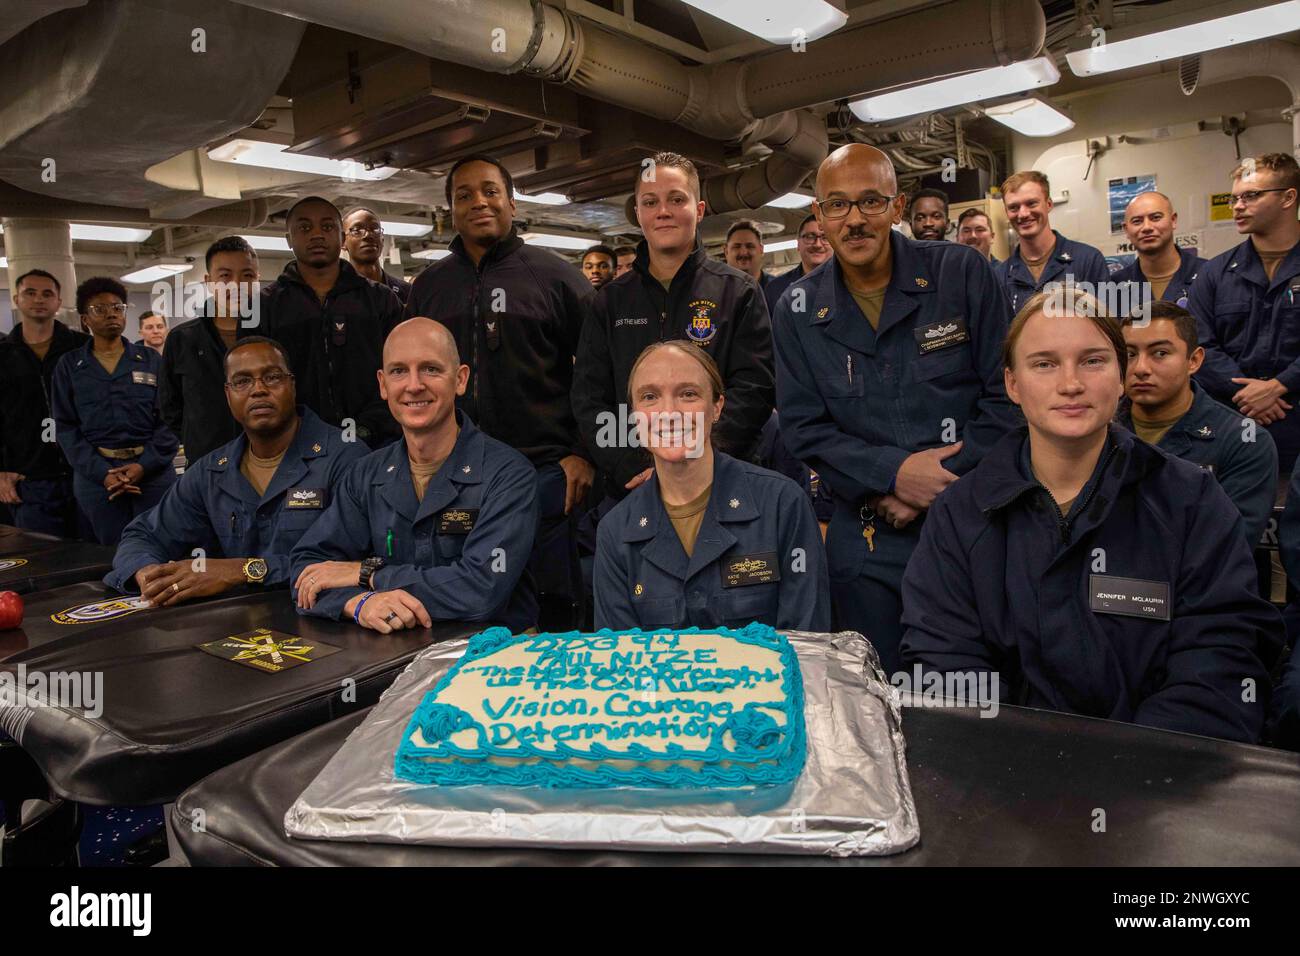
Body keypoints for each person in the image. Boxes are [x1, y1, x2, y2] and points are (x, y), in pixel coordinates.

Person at [900, 288, 1277, 743]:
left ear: (1121, 378)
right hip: (1006, 782)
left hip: (1159, 786)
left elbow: (1219, 661)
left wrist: (1130, 772)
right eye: (1044, 363)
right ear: (1013, 385)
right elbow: (944, 663)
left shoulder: (1191, 502)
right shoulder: (960, 515)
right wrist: (1015, 770)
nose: (1070, 383)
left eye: (1093, 361)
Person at [773, 143, 1017, 673]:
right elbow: (803, 428)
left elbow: (1009, 397)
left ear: (898, 207)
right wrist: (895, 476)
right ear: (819, 215)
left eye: (871, 202)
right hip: (867, 537)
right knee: (871, 695)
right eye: (837, 205)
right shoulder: (795, 309)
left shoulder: (962, 274)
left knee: (980, 697)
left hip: (977, 523)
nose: (854, 219)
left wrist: (940, 482)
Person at [402, 153, 595, 626]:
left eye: (490, 191)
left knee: (553, 612)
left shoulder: (556, 277)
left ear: (511, 201)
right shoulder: (428, 287)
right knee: (467, 609)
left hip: (545, 474)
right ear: (450, 209)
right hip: (456, 481)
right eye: (463, 195)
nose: (478, 202)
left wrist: (583, 451)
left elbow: (600, 372)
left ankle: (554, 696)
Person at [290, 318, 538, 633]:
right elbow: (307, 570)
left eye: (431, 369)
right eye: (398, 371)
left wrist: (369, 575)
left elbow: (481, 591)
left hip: (494, 658)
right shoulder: (365, 474)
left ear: (460, 380)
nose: (414, 385)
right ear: (383, 384)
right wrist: (358, 603)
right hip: (389, 657)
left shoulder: (509, 475)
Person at [573, 151, 774, 502]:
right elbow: (590, 398)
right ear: (638, 213)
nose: (663, 211)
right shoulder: (609, 301)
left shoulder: (738, 291)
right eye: (650, 201)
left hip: (720, 482)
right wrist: (629, 465)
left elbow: (754, 389)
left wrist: (696, 459)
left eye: (676, 199)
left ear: (698, 210)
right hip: (633, 488)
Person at [105, 337, 367, 604]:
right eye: (242, 381)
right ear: (228, 395)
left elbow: (356, 564)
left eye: (273, 377)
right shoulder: (211, 472)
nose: (258, 390)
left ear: (292, 385)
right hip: (235, 627)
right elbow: (143, 535)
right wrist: (148, 574)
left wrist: (242, 571)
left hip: (324, 620)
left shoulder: (346, 458)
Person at [594, 341, 828, 631]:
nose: (669, 413)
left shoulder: (783, 505)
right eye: (650, 397)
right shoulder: (614, 533)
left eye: (688, 394)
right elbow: (622, 662)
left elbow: (807, 645)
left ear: (717, 407)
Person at [1118, 300, 1276, 548]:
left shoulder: (1243, 440)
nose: (1141, 368)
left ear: (1194, 360)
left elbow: (1227, 545)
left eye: (1160, 353)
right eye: (1130, 354)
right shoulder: (1096, 429)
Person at [249, 195, 402, 448]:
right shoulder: (263, 307)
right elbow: (258, 382)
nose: (317, 235)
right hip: (296, 447)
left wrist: (370, 427)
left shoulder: (380, 300)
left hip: (377, 443)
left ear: (342, 238)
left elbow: (398, 372)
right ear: (289, 239)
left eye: (328, 227)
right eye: (305, 228)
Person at [1190, 152, 1300, 474]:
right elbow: (1199, 346)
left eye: (1251, 196)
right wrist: (1247, 392)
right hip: (1237, 426)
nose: (1237, 206)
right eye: (1235, 198)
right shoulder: (1215, 273)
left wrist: (1279, 385)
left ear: (1288, 198)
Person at [51, 277, 179, 545]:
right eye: (100, 309)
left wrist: (143, 467)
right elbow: (65, 427)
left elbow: (169, 419)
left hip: (152, 474)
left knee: (163, 549)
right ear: (85, 319)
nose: (111, 313)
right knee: (111, 552)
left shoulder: (151, 361)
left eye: (117, 307)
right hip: (97, 478)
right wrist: (103, 473)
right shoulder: (70, 366)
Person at [0, 269, 89, 537]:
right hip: (31, 481)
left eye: (47, 293)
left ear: (58, 303)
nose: (39, 299)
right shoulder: (3, 354)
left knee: (98, 558)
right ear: (17, 299)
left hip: (85, 473)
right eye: (30, 293)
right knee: (43, 562)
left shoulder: (82, 348)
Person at [160, 236, 259, 464]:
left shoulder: (272, 336)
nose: (236, 285)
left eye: (247, 275)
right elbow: (170, 408)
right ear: (208, 281)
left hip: (270, 462)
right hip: (206, 464)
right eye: (225, 276)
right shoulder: (182, 339)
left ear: (257, 280)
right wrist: (199, 438)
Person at [996, 170, 1109, 315]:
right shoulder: (1000, 276)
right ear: (1006, 212)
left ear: (1049, 204)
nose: (1023, 214)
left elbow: (1106, 328)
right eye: (1013, 207)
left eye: (1031, 203)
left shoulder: (1088, 261)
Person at [1112, 191, 1205, 310]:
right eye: (1137, 221)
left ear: (1173, 220)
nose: (1147, 227)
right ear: (1126, 229)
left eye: (1156, 218)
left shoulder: (1208, 274)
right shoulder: (1115, 287)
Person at [764, 213, 833, 314]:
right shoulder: (776, 289)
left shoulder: (851, 286)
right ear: (798, 244)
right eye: (810, 237)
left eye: (825, 237)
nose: (817, 244)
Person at [342, 205, 409, 304]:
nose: (368, 235)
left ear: (382, 238)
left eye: (375, 229)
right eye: (356, 230)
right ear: (342, 241)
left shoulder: (406, 292)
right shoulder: (334, 294)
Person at [723, 219, 770, 292]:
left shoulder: (780, 290)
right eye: (737, 246)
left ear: (761, 250)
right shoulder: (714, 291)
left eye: (750, 246)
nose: (743, 252)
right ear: (726, 251)